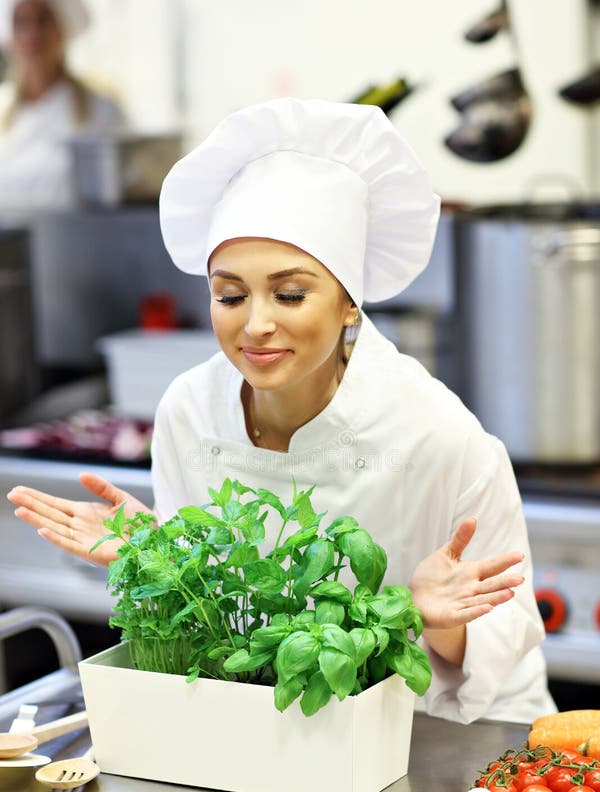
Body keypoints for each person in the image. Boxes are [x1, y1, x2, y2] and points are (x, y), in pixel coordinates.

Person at [7, 96, 556, 724]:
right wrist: (156, 556)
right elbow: (227, 627)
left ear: (350, 302)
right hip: (283, 733)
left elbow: (506, 637)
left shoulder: (436, 433)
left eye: (290, 293)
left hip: (457, 739)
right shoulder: (190, 412)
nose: (257, 325)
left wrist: (436, 622)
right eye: (230, 295)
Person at [0, 0, 123, 210]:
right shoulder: (4, 108)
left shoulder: (99, 111)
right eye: (21, 22)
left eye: (43, 20)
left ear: (62, 29)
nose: (32, 34)